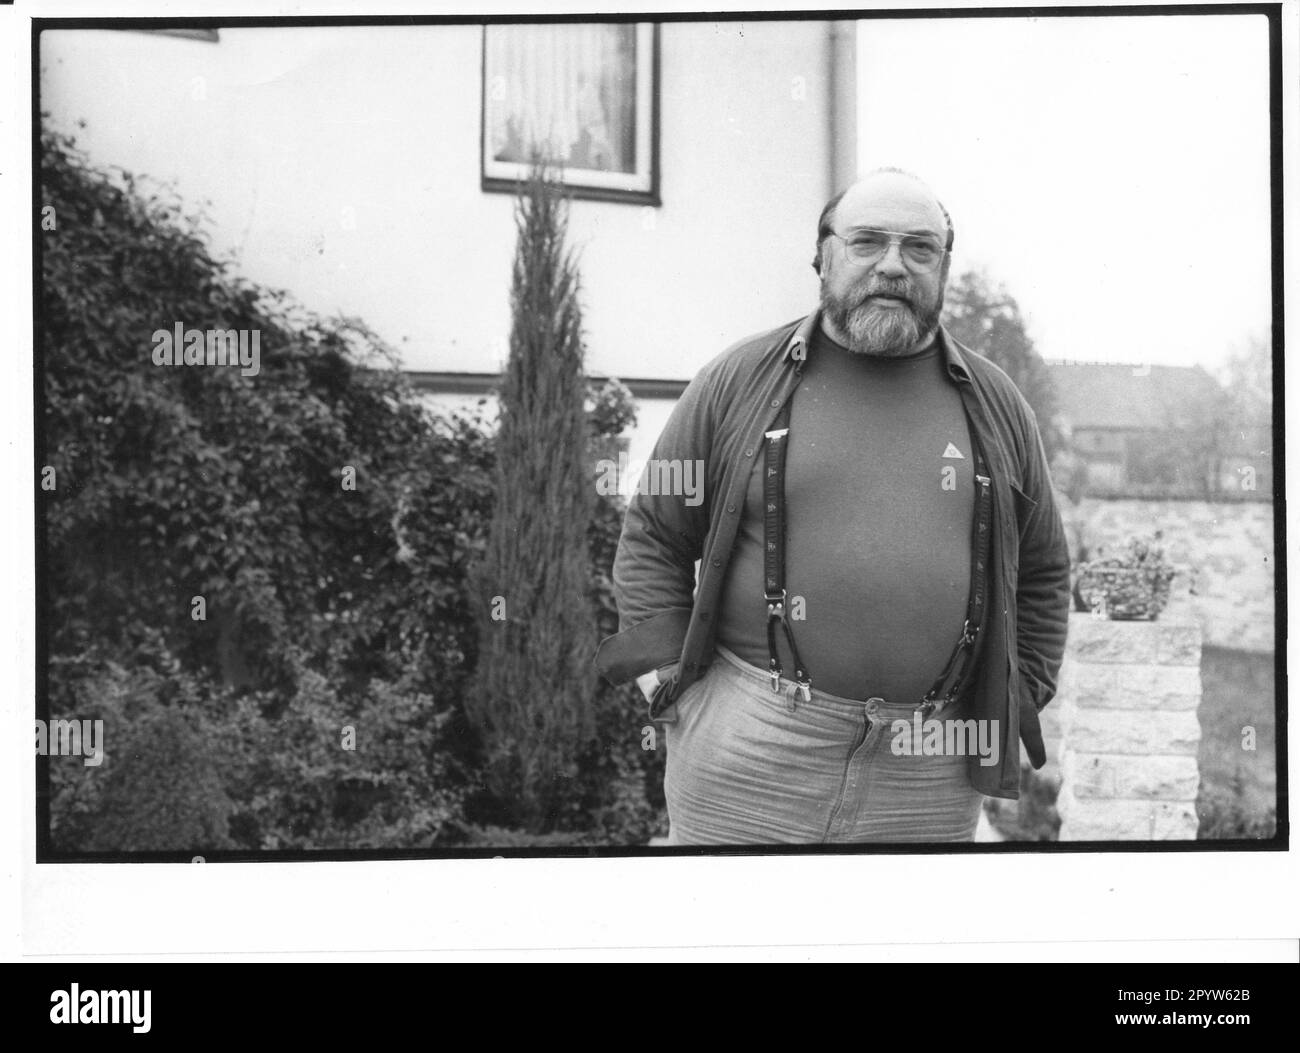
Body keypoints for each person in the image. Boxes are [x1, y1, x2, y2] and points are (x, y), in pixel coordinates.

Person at [595, 169, 1071, 844]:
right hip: (751, 749)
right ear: (823, 256)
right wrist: (669, 685)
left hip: (928, 771)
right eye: (867, 241)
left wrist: (1017, 695)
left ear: (944, 267)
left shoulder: (998, 406)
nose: (893, 265)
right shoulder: (736, 381)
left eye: (920, 248)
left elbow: (1046, 570)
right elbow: (655, 533)